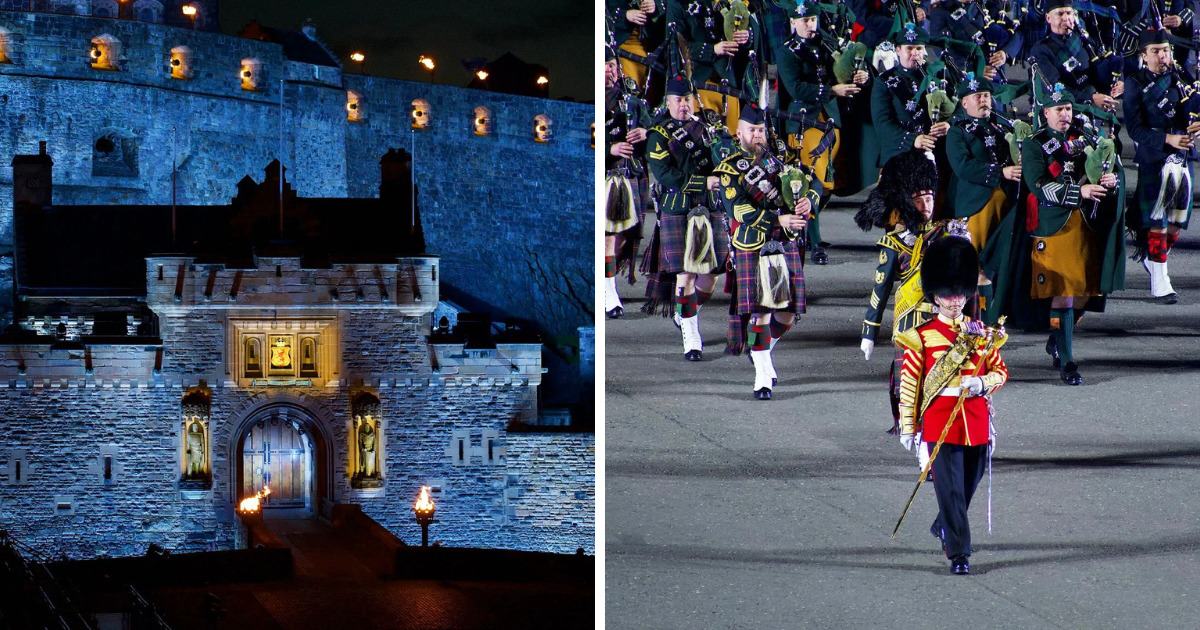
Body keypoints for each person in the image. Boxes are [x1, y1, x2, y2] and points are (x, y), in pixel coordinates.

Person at [896, 236, 1008, 576]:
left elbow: (1001, 372)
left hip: (974, 420)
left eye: (960, 292)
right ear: (935, 295)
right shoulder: (922, 335)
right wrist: (907, 425)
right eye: (948, 294)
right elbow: (911, 383)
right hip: (939, 419)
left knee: (969, 483)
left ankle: (943, 522)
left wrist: (982, 383)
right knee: (950, 487)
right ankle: (959, 553)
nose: (955, 300)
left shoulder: (982, 333)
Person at [857, 150, 968, 434]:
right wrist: (869, 332)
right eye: (918, 199)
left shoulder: (948, 232)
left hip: (944, 319)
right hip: (909, 321)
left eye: (929, 198)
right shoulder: (894, 242)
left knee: (943, 379)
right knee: (908, 382)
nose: (925, 205)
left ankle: (935, 430)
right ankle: (912, 430)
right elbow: (880, 289)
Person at [1022, 80, 1124, 385]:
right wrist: (1079, 192)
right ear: (1046, 112)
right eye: (1058, 109)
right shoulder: (1034, 143)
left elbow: (1107, 165)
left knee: (1085, 292)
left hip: (1085, 223)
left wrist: (1110, 180)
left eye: (1067, 108)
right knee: (1064, 292)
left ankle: (1058, 338)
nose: (1064, 114)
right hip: (1054, 226)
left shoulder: (1085, 134)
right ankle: (1067, 361)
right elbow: (1037, 185)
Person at [715, 105, 818, 399]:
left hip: (784, 242)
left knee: (787, 314)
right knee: (759, 314)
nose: (757, 135)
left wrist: (808, 201)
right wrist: (778, 219)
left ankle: (761, 350)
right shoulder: (730, 169)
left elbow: (814, 183)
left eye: (761, 130)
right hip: (752, 244)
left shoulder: (781, 161)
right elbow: (739, 210)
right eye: (752, 130)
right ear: (739, 133)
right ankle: (762, 376)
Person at [775, 0, 869, 264]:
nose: (809, 25)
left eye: (812, 20)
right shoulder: (786, 52)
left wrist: (856, 76)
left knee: (826, 185)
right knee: (811, 181)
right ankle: (815, 242)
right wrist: (832, 91)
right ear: (793, 22)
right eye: (804, 21)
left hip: (831, 120)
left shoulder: (826, 43)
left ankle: (808, 229)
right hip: (805, 124)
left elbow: (841, 69)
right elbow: (796, 88)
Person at [643, 76, 728, 360]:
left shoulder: (707, 127)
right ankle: (691, 335)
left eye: (688, 99)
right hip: (678, 206)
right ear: (667, 103)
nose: (683, 105)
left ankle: (685, 311)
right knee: (686, 272)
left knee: (711, 277)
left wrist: (721, 141)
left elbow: (723, 160)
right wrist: (703, 183)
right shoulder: (658, 133)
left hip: (710, 206)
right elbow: (664, 173)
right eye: (678, 100)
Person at [1123, 27, 1200, 304]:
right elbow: (1134, 129)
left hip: (1182, 157)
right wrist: (1166, 138)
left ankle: (1155, 260)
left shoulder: (1182, 78)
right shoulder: (1134, 82)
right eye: (1155, 51)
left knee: (1176, 223)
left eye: (1165, 50)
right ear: (1144, 55)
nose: (1162, 56)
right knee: (1158, 220)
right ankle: (1160, 281)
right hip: (1155, 157)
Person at [945, 72, 1022, 317]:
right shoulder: (957, 132)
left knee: (1003, 262)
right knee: (978, 267)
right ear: (964, 102)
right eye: (977, 96)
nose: (984, 100)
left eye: (987, 95)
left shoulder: (1004, 125)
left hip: (1008, 204)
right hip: (976, 206)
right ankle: (980, 324)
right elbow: (963, 166)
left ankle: (999, 317)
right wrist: (1002, 172)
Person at [604, 46, 652, 318]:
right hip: (607, 173)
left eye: (612, 64)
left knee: (627, 234)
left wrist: (645, 131)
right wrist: (609, 149)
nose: (609, 70)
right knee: (609, 234)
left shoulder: (631, 98)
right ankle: (609, 291)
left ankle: (606, 279)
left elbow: (653, 129)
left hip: (633, 171)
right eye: (604, 66)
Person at [1029, 0, 1124, 112]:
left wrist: (1120, 81)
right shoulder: (1041, 50)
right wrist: (1091, 98)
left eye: (1069, 13)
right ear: (1048, 18)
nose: (1065, 18)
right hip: (1060, 111)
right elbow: (1053, 88)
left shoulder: (1085, 40)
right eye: (1059, 14)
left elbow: (1107, 62)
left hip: (1091, 111)